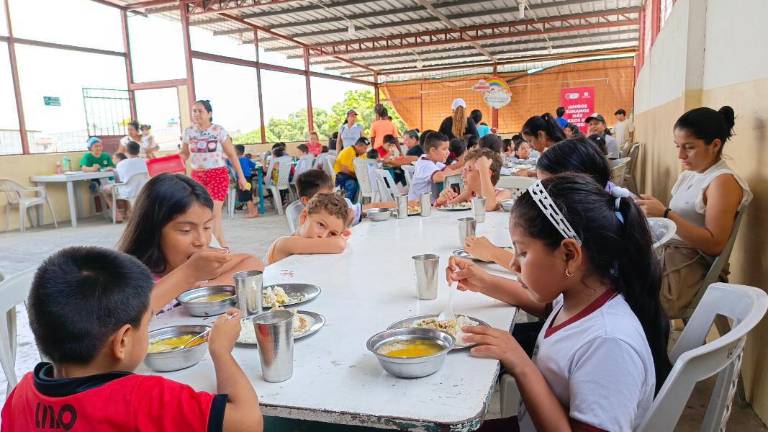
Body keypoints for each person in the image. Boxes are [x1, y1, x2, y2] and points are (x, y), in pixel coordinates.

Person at [449, 173, 670, 431]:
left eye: (522, 252)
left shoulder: (609, 344)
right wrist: (482, 281)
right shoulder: (585, 296)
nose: (512, 263)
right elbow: (543, 306)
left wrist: (520, 364)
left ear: (569, 254)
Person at [1, 246, 263, 431]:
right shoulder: (144, 399)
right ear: (123, 341)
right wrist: (221, 352)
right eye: (147, 321)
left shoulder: (20, 395)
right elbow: (247, 422)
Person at [634, 106, 752, 318]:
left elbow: (715, 244)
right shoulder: (692, 174)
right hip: (672, 259)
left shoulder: (722, 182)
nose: (680, 155)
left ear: (715, 145)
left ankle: (644, 347)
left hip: (690, 271)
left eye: (689, 147)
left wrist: (665, 214)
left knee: (619, 293)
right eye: (677, 146)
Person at [118, 174, 264, 314]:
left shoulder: (201, 265)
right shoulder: (128, 281)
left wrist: (203, 292)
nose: (201, 241)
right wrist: (187, 276)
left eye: (207, 227)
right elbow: (129, 316)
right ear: (152, 231)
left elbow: (251, 262)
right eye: (185, 230)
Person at [180, 100, 249, 248]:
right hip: (197, 175)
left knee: (213, 210)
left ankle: (217, 243)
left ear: (209, 114)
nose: (196, 114)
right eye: (194, 111)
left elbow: (231, 155)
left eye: (200, 111)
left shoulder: (218, 130)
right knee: (202, 211)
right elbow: (184, 154)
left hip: (217, 174)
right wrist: (173, 162)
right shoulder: (189, 132)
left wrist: (241, 177)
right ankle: (220, 243)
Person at [266, 193, 351, 264]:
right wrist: (339, 237)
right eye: (321, 225)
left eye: (332, 233)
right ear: (304, 217)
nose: (323, 236)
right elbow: (339, 244)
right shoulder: (284, 244)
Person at [436, 147, 511, 211]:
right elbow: (447, 206)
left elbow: (488, 206)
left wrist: (483, 169)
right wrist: (440, 201)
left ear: (487, 174)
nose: (462, 176)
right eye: (463, 171)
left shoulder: (504, 194)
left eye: (469, 170)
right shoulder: (469, 194)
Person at [101, 141, 149, 222]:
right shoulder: (146, 161)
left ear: (126, 150)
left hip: (129, 191)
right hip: (144, 190)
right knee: (125, 186)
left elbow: (120, 180)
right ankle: (128, 213)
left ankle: (117, 216)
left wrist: (114, 170)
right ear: (138, 150)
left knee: (105, 189)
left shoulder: (121, 164)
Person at [407, 132, 461, 201]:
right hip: (419, 206)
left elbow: (449, 171)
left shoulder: (434, 161)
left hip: (428, 204)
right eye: (444, 149)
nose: (448, 152)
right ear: (433, 151)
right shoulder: (424, 164)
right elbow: (440, 177)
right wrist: (464, 169)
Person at [333, 137, 370, 201]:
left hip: (353, 176)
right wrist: (357, 176)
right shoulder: (348, 151)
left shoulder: (361, 154)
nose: (365, 151)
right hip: (341, 176)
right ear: (358, 146)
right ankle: (346, 204)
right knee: (352, 184)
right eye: (364, 148)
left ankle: (359, 203)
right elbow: (344, 169)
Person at [230, 144, 258, 218]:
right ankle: (254, 211)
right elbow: (254, 165)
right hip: (248, 178)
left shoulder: (237, 160)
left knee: (246, 197)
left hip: (242, 179)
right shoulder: (246, 158)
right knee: (249, 195)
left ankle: (252, 213)